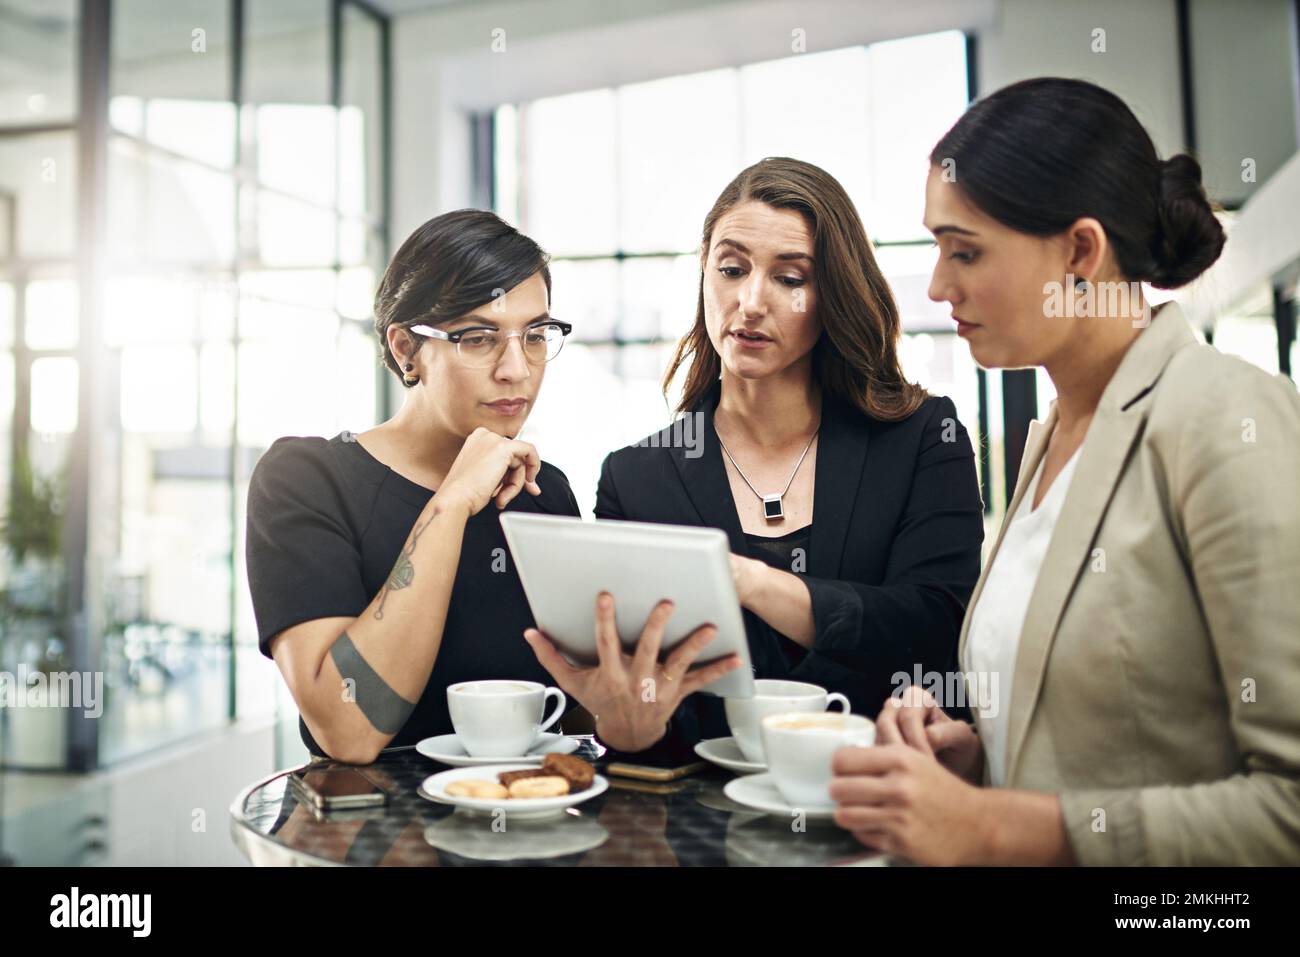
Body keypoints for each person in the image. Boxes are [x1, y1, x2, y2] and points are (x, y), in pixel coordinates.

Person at [830, 77, 1300, 865]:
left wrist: (996, 828)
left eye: (966, 251)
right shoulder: (1050, 440)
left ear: (1080, 250)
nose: (940, 286)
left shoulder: (1224, 420)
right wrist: (980, 764)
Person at [525, 158, 984, 761]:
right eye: (732, 269)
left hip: (883, 802)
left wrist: (751, 582)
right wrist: (626, 727)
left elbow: (937, 627)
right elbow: (652, 706)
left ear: (833, 294)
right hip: (703, 824)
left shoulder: (924, 437)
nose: (750, 302)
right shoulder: (636, 478)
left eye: (790, 278)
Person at [246, 209, 732, 763]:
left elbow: (571, 717)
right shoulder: (306, 478)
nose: (516, 370)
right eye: (478, 338)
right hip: (373, 837)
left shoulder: (543, 492)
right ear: (406, 349)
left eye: (535, 335)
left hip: (530, 827)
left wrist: (630, 712)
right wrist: (451, 504)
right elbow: (348, 728)